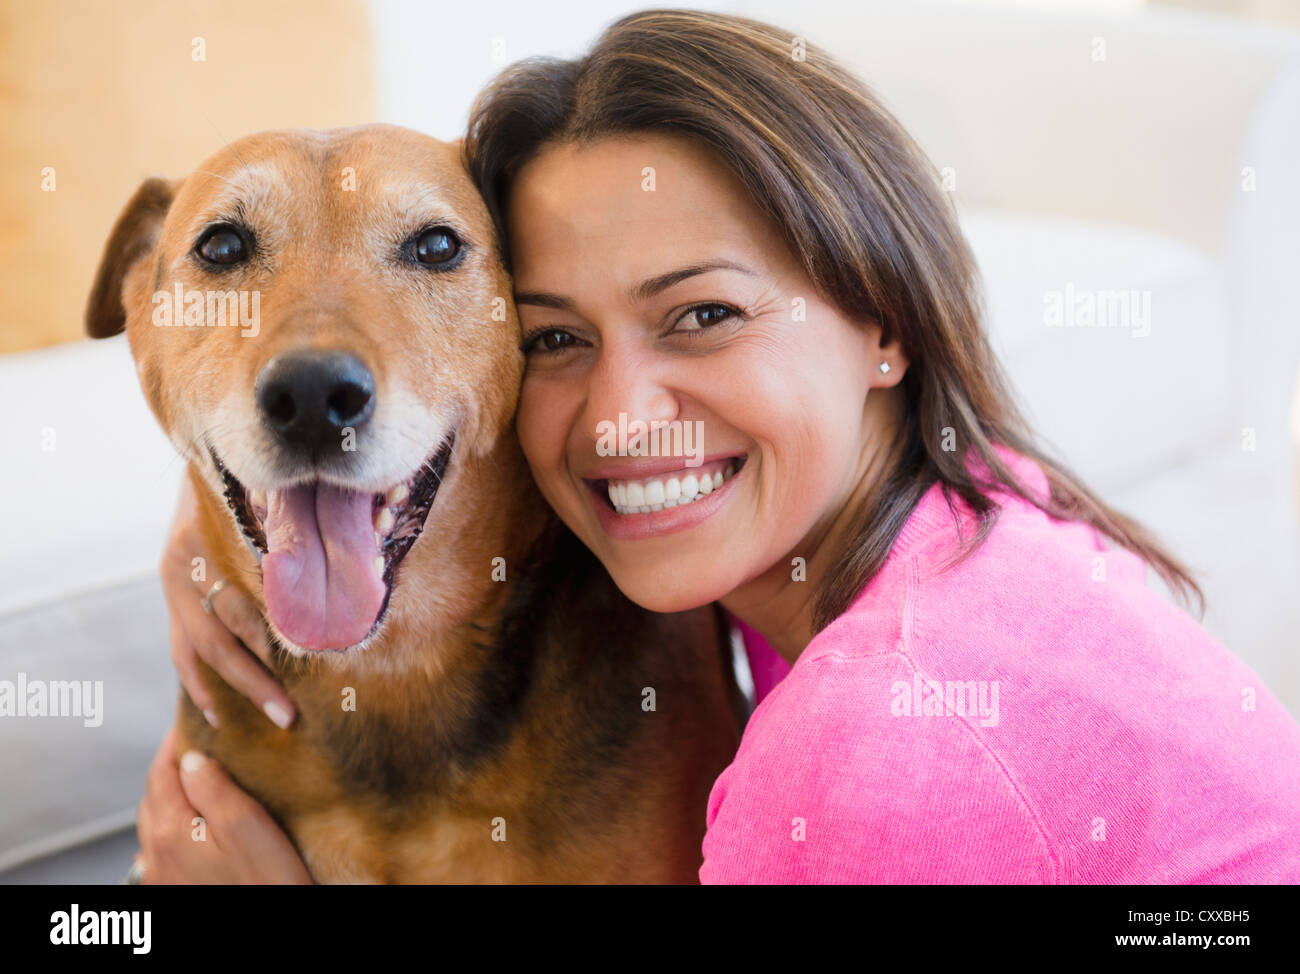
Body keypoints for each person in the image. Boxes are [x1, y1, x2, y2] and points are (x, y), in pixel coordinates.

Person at [134, 9, 1300, 883]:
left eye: (704, 314)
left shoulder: (856, 769)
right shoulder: (972, 508)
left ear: (881, 318)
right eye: (555, 336)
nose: (620, 417)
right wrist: (235, 501)